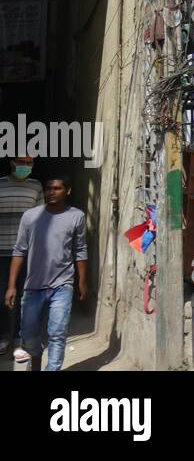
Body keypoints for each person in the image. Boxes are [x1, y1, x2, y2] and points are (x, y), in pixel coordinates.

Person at [5, 175, 88, 371]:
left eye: (57, 188)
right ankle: (35, 361)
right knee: (29, 334)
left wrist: (82, 281)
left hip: (62, 284)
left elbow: (80, 250)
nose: (52, 192)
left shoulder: (77, 216)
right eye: (49, 188)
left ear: (67, 191)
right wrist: (11, 286)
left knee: (57, 333)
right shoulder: (30, 216)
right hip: (33, 286)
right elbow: (19, 251)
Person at [0, 156, 41, 355]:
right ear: (11, 162)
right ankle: (3, 336)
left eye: (29, 163)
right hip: (1, 250)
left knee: (23, 296)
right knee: (2, 295)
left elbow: (42, 218)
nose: (25, 167)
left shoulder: (36, 187)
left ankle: (17, 336)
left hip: (26, 253)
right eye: (21, 162)